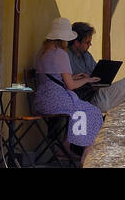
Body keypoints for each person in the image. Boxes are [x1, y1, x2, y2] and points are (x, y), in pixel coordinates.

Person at [32, 17, 104, 158]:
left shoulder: (42, 52)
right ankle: (86, 153)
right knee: (93, 111)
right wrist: (87, 80)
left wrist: (77, 77)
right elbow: (70, 85)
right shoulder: (61, 54)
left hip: (41, 101)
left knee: (82, 110)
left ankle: (66, 146)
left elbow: (54, 77)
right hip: (56, 100)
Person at [68, 21, 125, 113]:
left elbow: (96, 73)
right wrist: (84, 79)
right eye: (87, 42)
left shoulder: (87, 55)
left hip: (99, 92)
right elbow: (68, 82)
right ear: (76, 42)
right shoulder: (66, 57)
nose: (90, 45)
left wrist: (102, 78)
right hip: (87, 99)